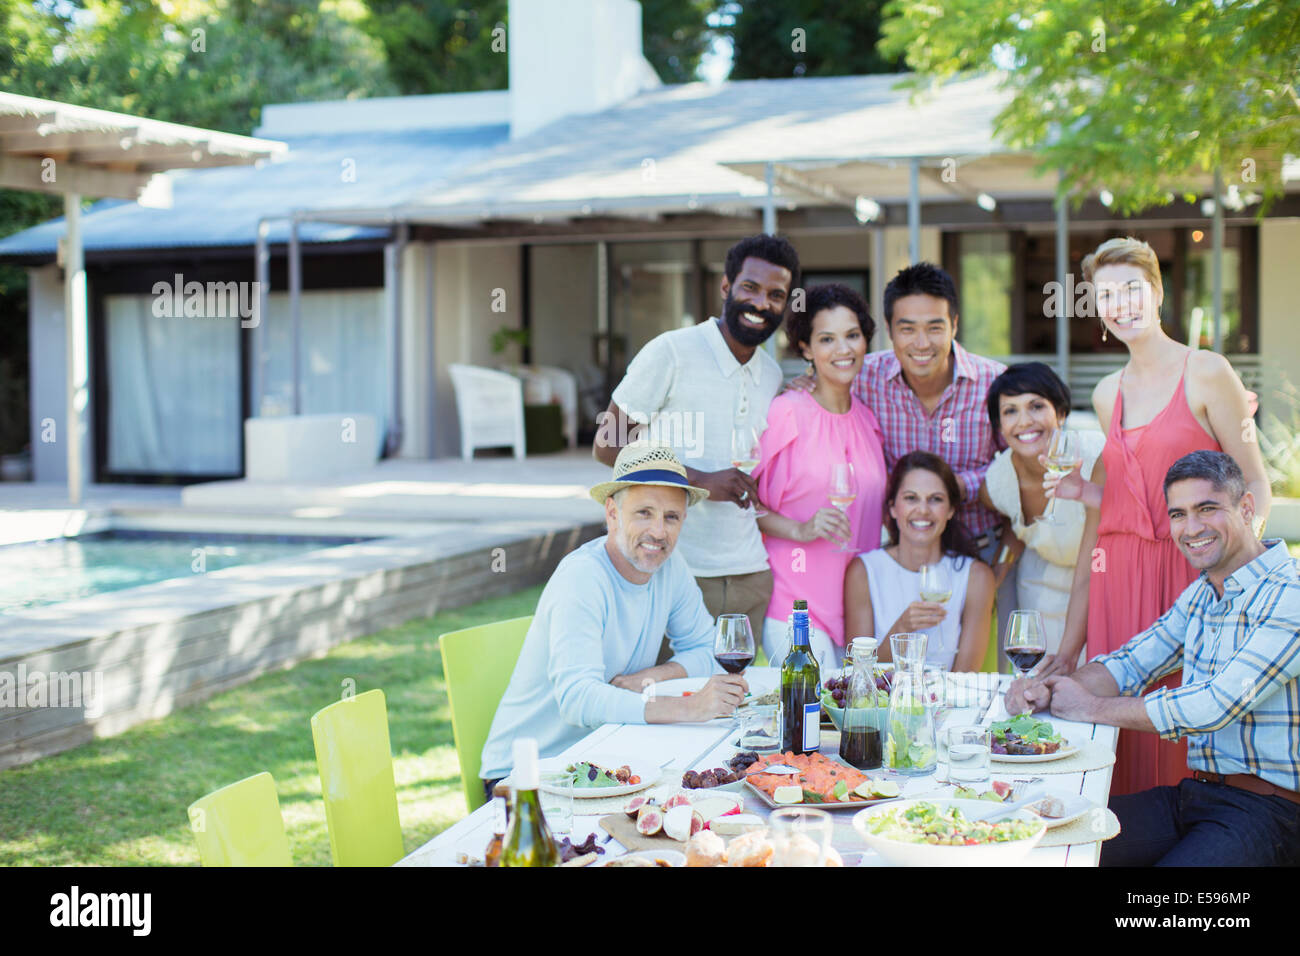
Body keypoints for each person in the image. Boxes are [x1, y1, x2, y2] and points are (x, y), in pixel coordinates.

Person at [1042, 237, 1272, 796]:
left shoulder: (1209, 371)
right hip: (1115, 580)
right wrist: (1086, 493)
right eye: (1105, 294)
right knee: (1113, 734)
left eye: (1131, 289)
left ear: (1158, 291)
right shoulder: (1104, 393)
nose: (1120, 304)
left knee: (1180, 728)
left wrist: (1235, 579)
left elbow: (1256, 484)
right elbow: (1122, 510)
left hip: (1189, 577)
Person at [1006, 451, 1300, 866]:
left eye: (1207, 508)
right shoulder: (1203, 594)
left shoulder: (1290, 594)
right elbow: (1129, 664)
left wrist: (1090, 707)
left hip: (1273, 813)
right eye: (1178, 514)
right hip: (1198, 796)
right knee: (1038, 841)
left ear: (1247, 507)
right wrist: (1047, 690)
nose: (1191, 527)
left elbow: (1214, 705)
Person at [479, 443, 748, 792]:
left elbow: (704, 649)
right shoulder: (582, 577)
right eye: (644, 513)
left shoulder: (671, 568)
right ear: (612, 514)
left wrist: (652, 677)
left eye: (671, 517)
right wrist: (689, 708)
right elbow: (578, 699)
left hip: (601, 759)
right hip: (528, 776)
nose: (658, 532)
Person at [594, 234, 800, 643]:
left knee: (735, 701)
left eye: (776, 295)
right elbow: (607, 445)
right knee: (668, 699)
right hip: (672, 567)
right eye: (750, 288)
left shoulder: (772, 375)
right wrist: (701, 481)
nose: (761, 303)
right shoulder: (671, 352)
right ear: (726, 287)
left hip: (748, 574)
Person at [789, 263, 1011, 635]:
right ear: (889, 331)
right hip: (902, 557)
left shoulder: (995, 384)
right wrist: (804, 382)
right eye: (907, 329)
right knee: (900, 666)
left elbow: (1022, 473)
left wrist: (999, 563)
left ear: (954, 325)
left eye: (935, 327)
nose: (921, 343)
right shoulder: (863, 379)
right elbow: (823, 397)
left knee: (996, 671)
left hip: (984, 553)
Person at [752, 284, 888, 670]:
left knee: (855, 727)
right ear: (806, 348)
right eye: (826, 339)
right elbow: (740, 500)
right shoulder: (786, 412)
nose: (842, 349)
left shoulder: (868, 420)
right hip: (796, 607)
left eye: (852, 335)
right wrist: (799, 530)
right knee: (809, 725)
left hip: (858, 609)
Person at [979, 362, 1105, 662]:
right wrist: (998, 571)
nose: (1024, 421)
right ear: (999, 427)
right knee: (1037, 679)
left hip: (1101, 582)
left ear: (1060, 414)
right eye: (1010, 411)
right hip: (1040, 584)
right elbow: (1016, 527)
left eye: (1036, 406)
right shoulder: (996, 484)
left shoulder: (1094, 458)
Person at [844, 452, 994, 672]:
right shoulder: (863, 572)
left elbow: (965, 677)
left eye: (935, 499)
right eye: (911, 498)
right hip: (883, 704)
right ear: (893, 507)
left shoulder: (976, 577)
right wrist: (903, 627)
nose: (923, 510)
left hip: (947, 702)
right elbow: (857, 673)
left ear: (951, 510)